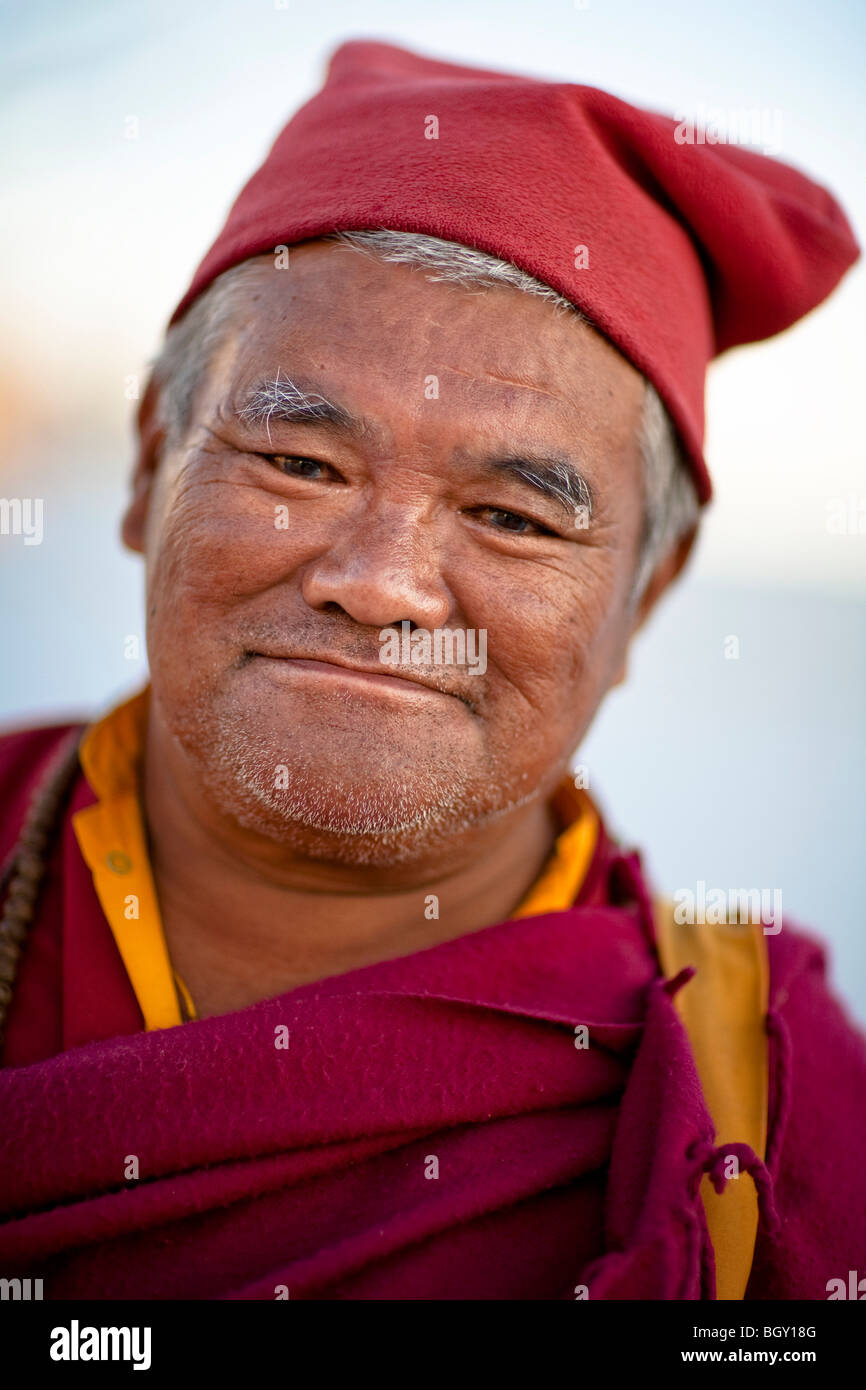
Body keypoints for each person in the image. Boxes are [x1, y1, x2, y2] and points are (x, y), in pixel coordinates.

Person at [1, 40, 863, 1301]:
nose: (382, 581)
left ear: (643, 598)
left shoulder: (756, 1101)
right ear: (148, 471)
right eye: (301, 466)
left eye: (512, 517)